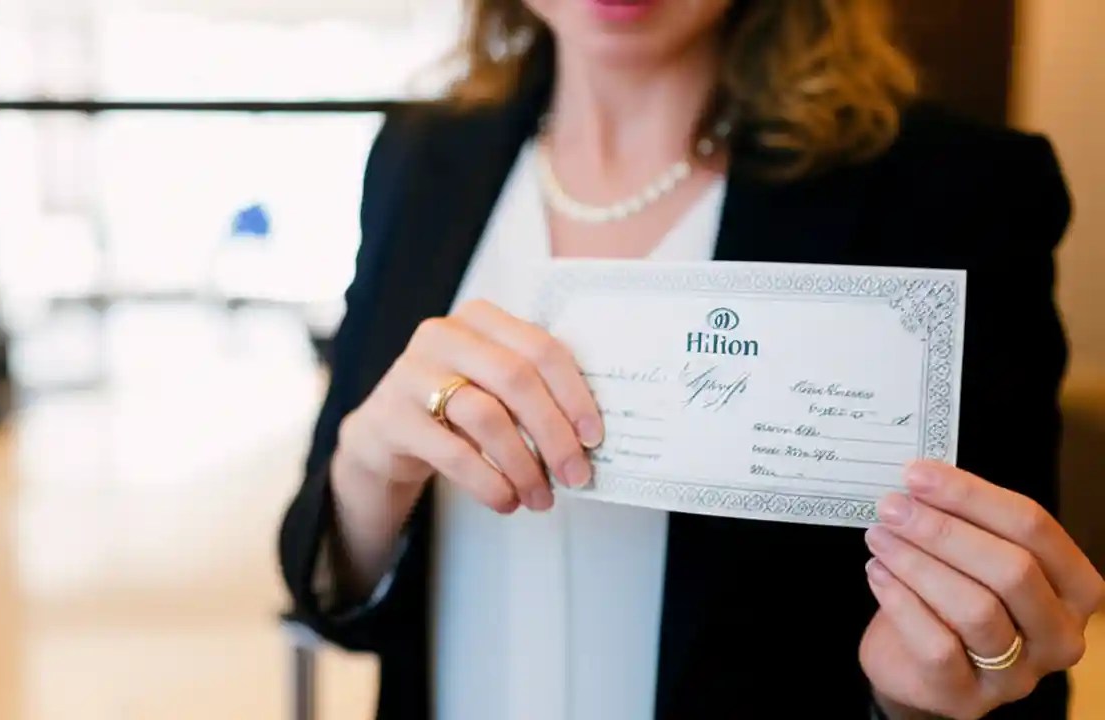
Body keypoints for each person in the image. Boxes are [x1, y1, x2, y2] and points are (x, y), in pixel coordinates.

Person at [278, 0, 1105, 717]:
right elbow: (332, 593)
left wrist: (922, 699)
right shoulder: (420, 160)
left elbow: (1012, 655)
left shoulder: (955, 192)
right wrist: (367, 472)